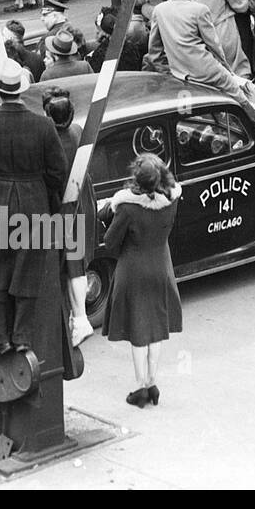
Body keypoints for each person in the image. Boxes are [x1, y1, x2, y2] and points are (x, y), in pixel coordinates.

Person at [0, 59, 67, 356]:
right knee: (27, 268)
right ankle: (22, 338)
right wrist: (42, 191)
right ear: (21, 91)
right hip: (34, 203)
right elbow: (58, 171)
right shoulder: (43, 125)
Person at [147, 0, 255, 149]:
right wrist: (227, 71)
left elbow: (154, 50)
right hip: (206, 68)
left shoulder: (159, 10)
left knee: (188, 109)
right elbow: (214, 45)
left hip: (180, 72)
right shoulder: (200, 9)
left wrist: (167, 70)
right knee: (239, 99)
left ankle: (193, 140)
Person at [101, 154, 183, 408]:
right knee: (156, 328)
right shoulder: (172, 200)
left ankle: (140, 389)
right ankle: (153, 383)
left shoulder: (126, 207)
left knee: (138, 330)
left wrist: (109, 211)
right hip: (161, 266)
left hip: (133, 270)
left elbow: (111, 242)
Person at [42, 88, 98, 347]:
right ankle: (76, 318)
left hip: (65, 207)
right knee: (77, 265)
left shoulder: (49, 140)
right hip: (82, 201)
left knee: (73, 267)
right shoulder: (77, 131)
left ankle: (81, 319)